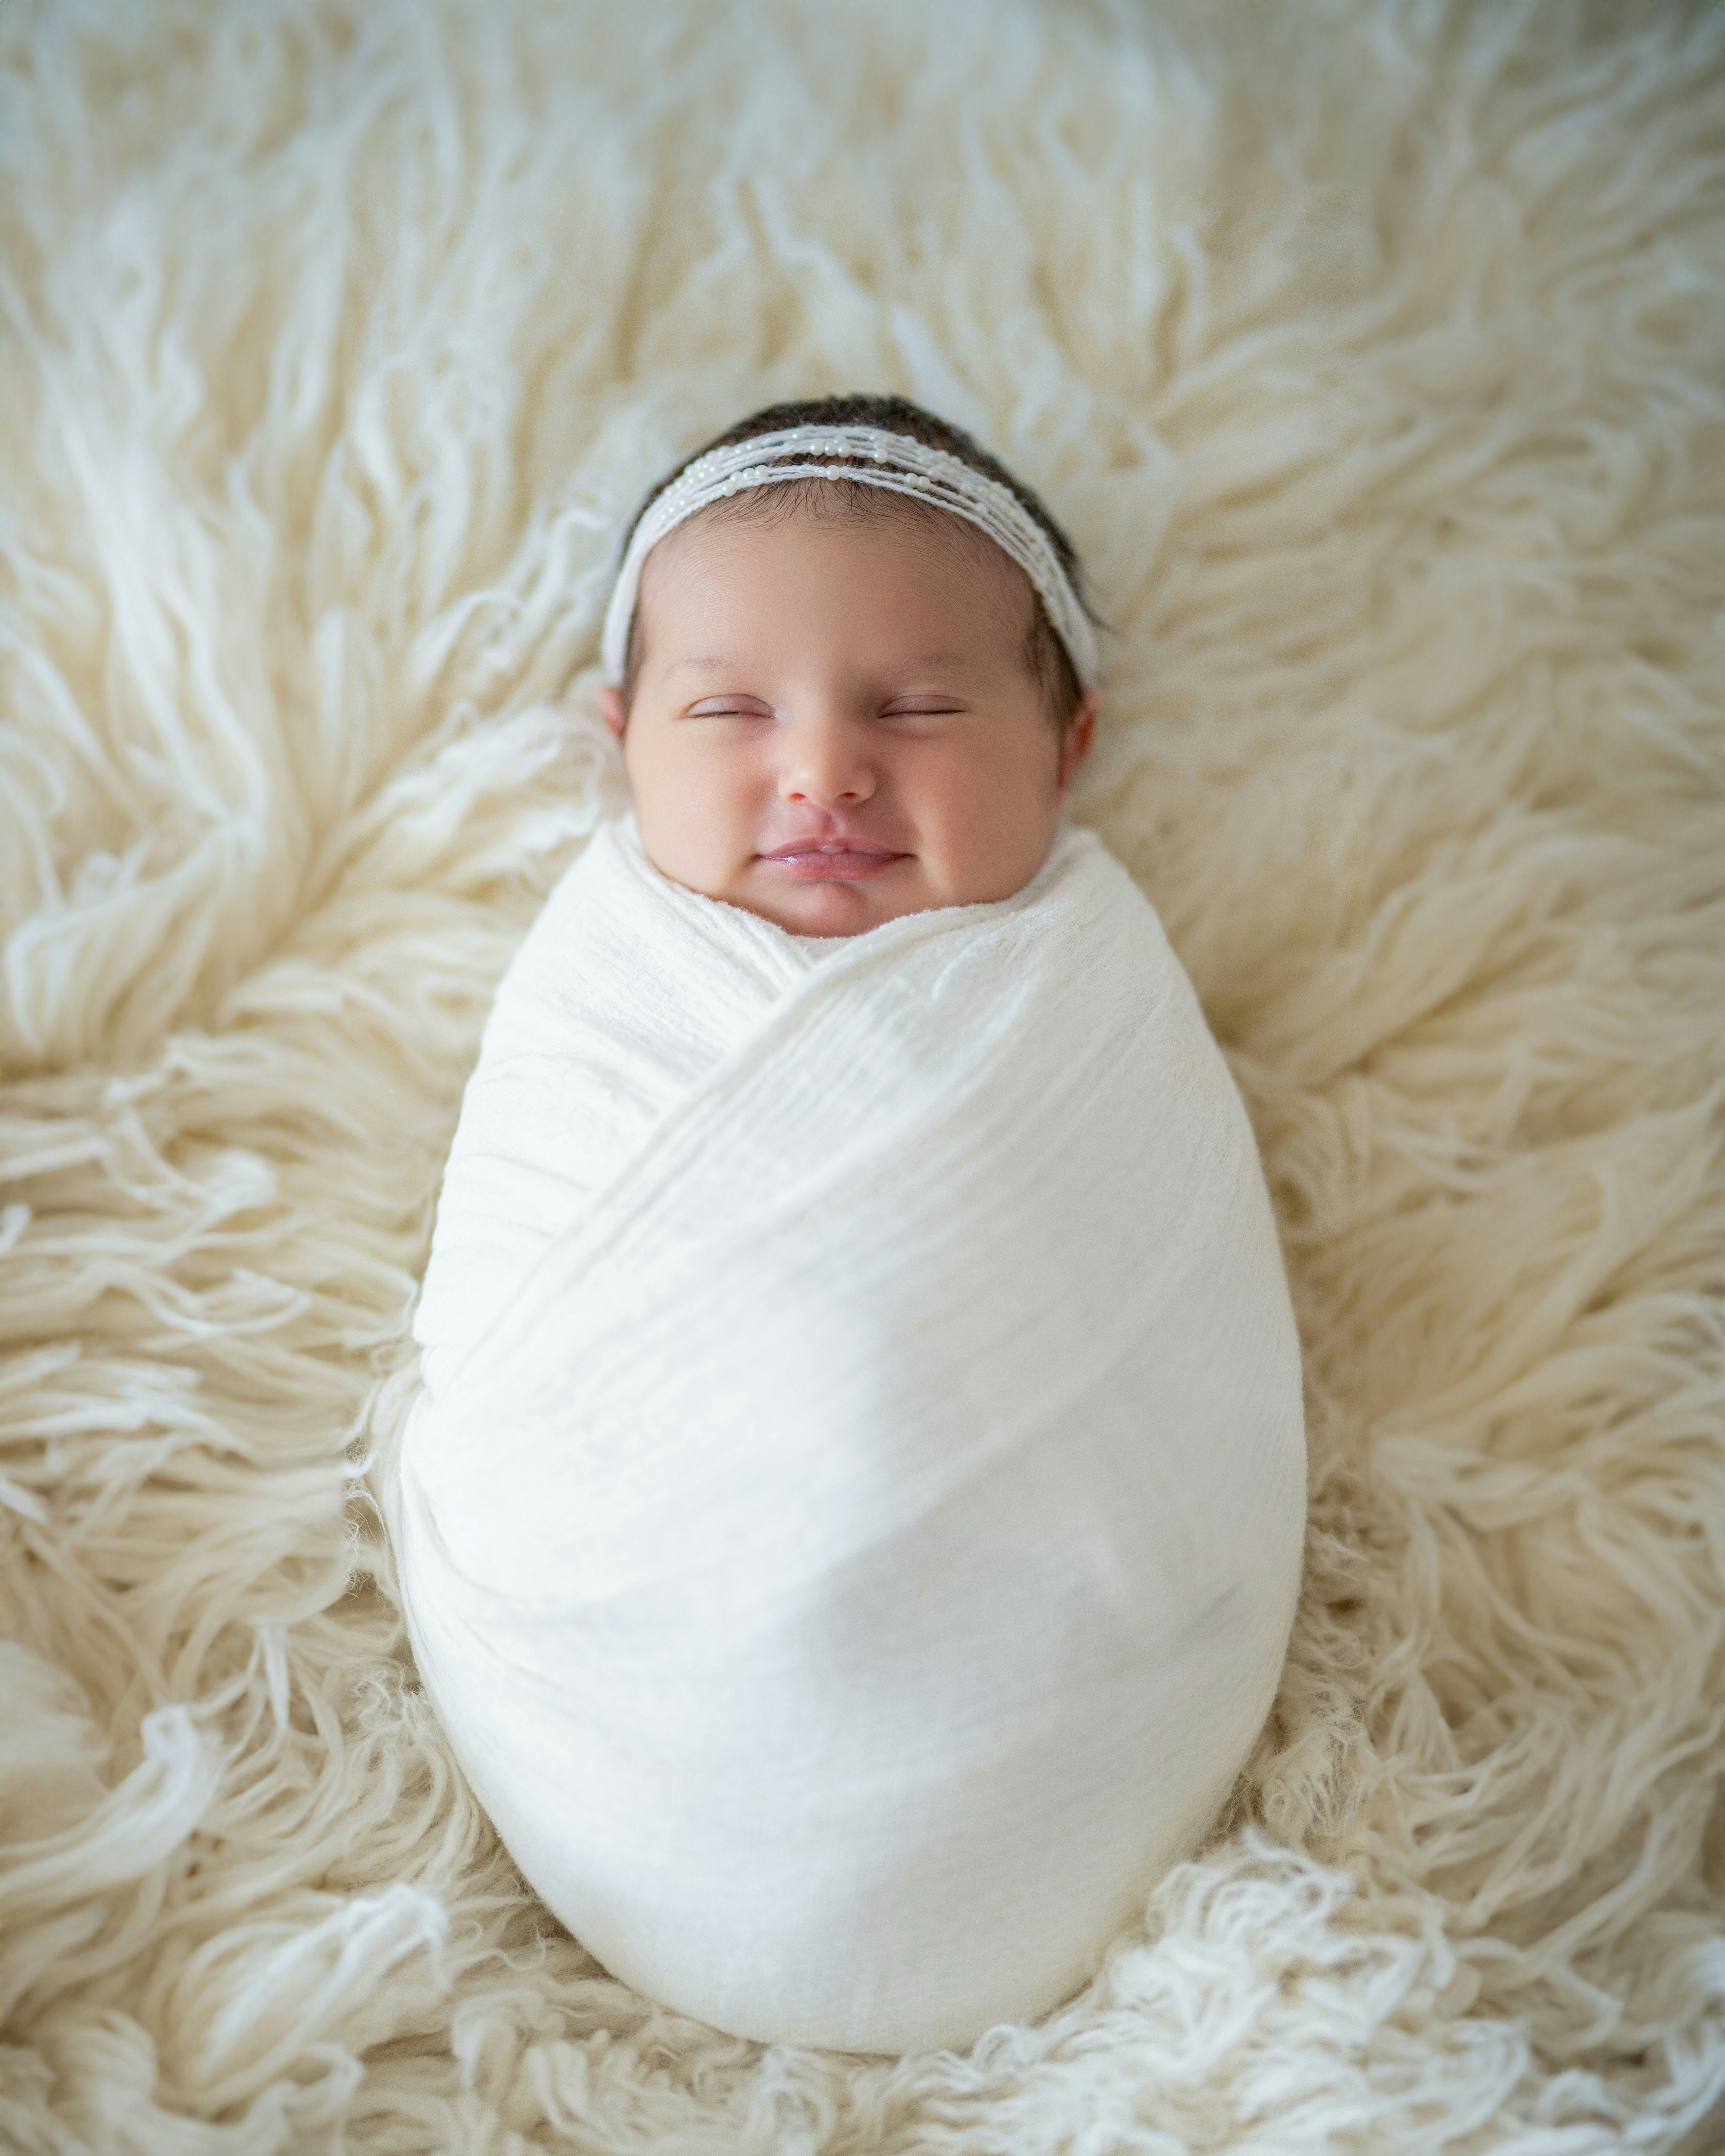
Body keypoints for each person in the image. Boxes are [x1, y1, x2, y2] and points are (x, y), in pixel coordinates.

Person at [595, 393, 1103, 937]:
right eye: (729, 711)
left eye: (921, 709)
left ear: (1066, 749)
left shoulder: (1103, 962)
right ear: (623, 740)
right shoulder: (587, 970)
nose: (823, 774)